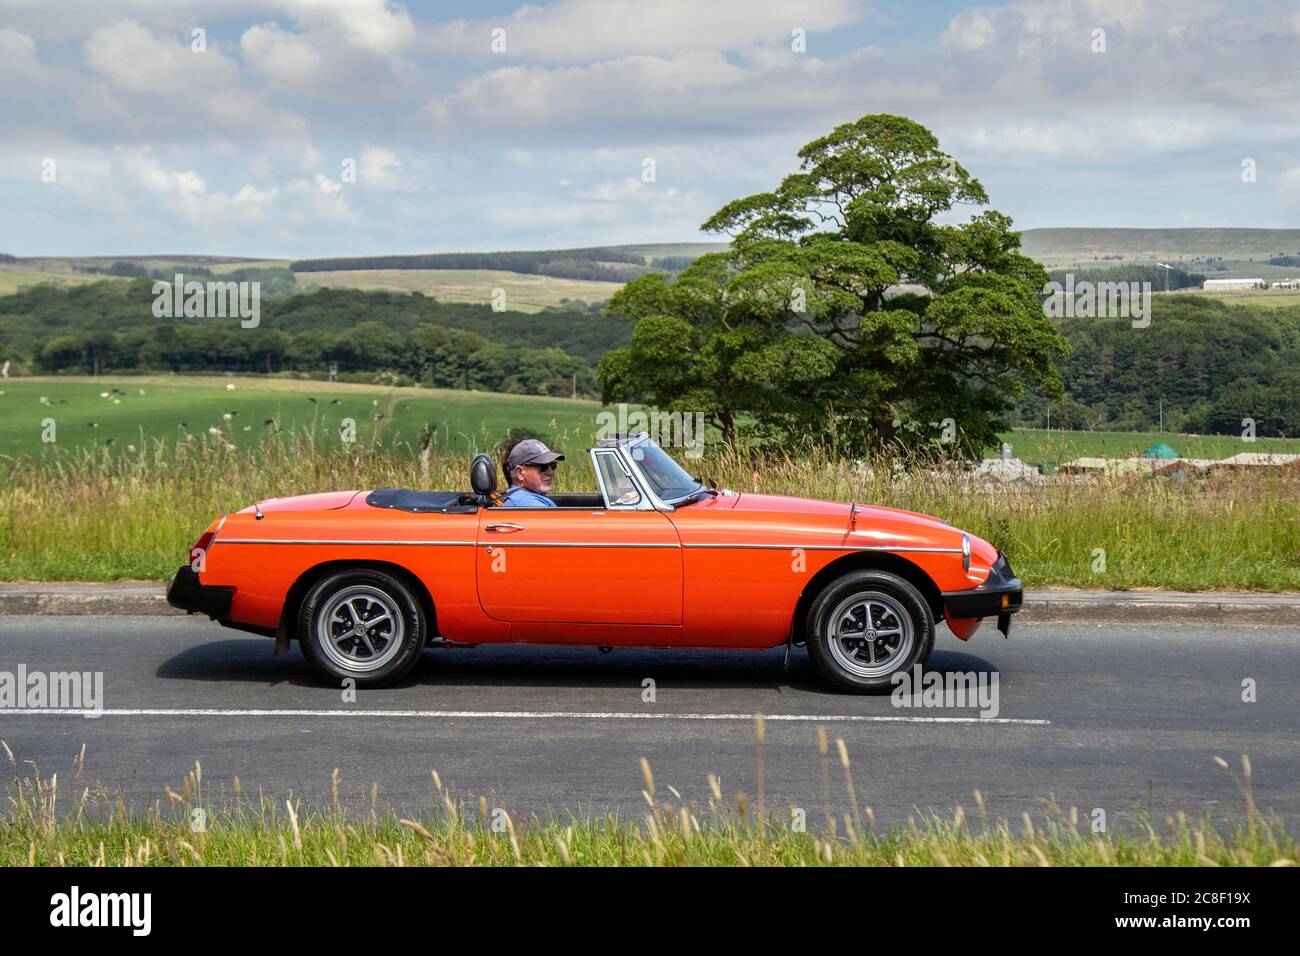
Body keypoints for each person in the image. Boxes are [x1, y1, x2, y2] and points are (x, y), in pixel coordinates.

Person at [498, 438, 565, 507]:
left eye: (552, 465)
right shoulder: (526, 501)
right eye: (543, 466)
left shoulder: (523, 497)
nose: (550, 472)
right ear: (520, 473)